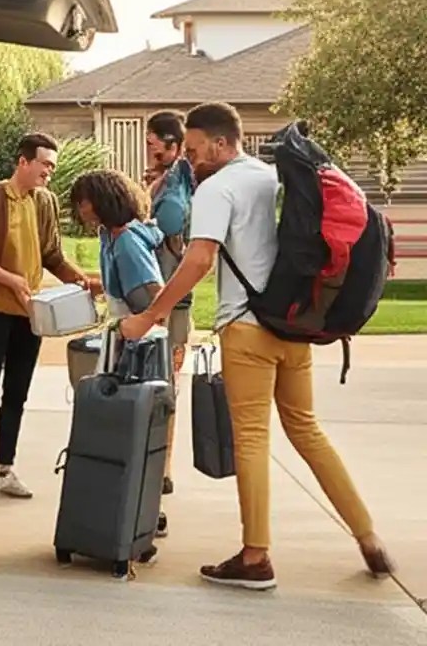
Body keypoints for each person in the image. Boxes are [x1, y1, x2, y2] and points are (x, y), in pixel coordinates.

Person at [120, 102, 395, 590]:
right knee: (308, 431)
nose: (191, 159)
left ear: (223, 143)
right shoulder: (272, 178)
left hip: (247, 330)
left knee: (250, 438)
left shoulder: (217, 188)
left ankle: (255, 556)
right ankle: (368, 536)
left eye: (198, 149)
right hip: (293, 325)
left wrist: (148, 316)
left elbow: (199, 260)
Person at [0, 132, 97, 499]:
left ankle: (6, 469)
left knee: (17, 391)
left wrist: (80, 279)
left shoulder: (45, 202)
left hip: (30, 311)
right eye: (45, 164)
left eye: (52, 166)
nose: (49, 171)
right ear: (23, 162)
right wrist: (11, 279)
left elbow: (52, 255)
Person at [69, 168, 171, 538]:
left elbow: (155, 299)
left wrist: (134, 325)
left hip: (137, 347)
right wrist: (97, 285)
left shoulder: (126, 241)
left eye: (83, 203)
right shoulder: (109, 236)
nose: (80, 211)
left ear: (101, 201)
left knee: (134, 429)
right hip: (124, 339)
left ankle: (145, 511)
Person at [144, 110, 196, 496]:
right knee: (162, 385)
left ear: (172, 146)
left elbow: (173, 224)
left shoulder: (176, 187)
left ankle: (160, 466)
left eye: (152, 145)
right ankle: (159, 464)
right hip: (167, 301)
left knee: (162, 387)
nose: (148, 151)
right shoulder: (174, 179)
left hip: (169, 304)